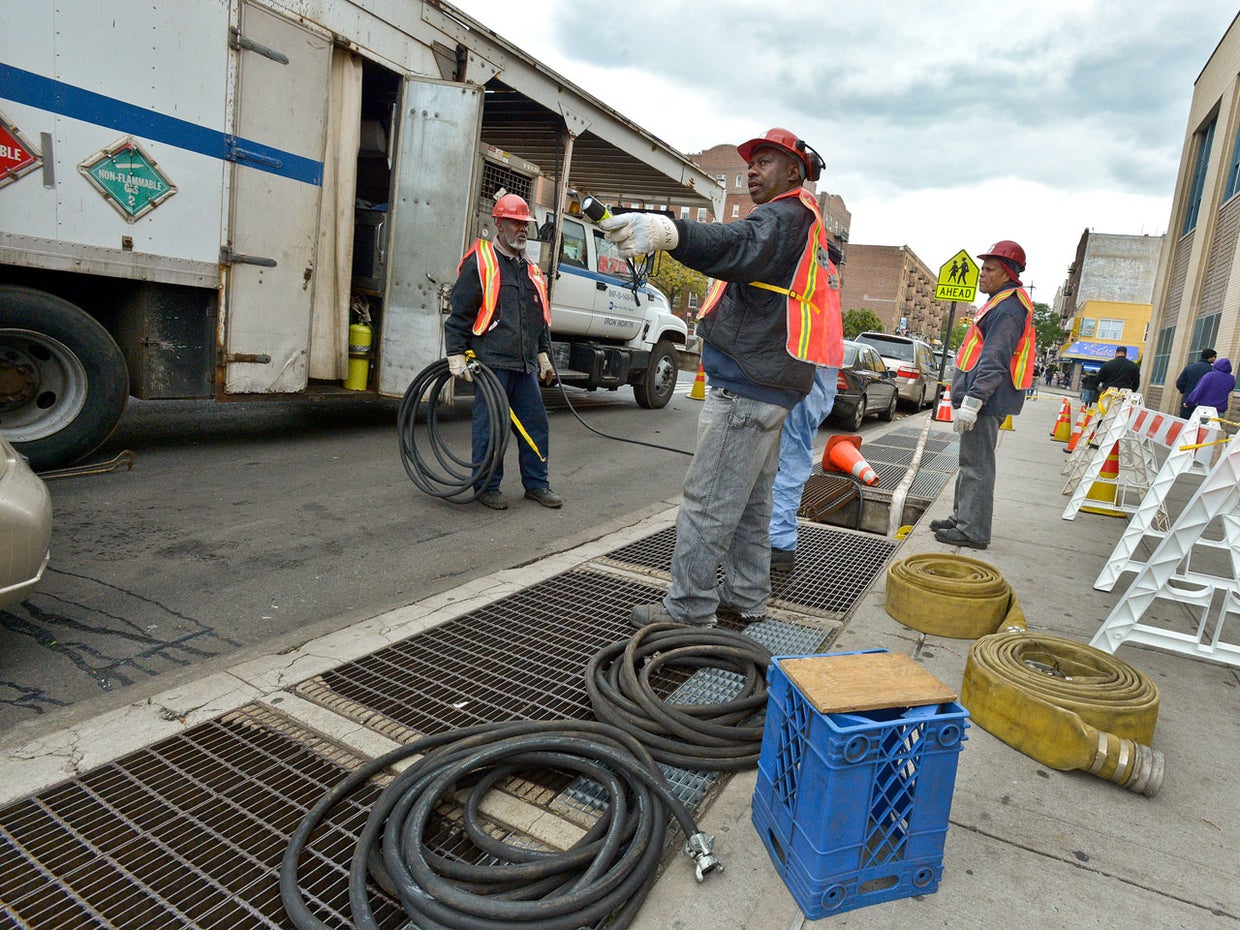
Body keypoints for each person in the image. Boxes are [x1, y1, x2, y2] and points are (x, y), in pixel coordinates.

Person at [600, 127, 843, 627]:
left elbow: (735, 242)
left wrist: (673, 232)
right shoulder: (804, 223)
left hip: (748, 382)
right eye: (751, 162)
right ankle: (746, 595)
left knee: (707, 502)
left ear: (794, 172)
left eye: (765, 161)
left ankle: (688, 609)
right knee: (755, 503)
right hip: (773, 383)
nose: (753, 170)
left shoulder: (783, 215)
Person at [444, 193, 561, 511]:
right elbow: (460, 314)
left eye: (525, 223)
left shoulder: (530, 269)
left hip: (523, 365)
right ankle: (487, 486)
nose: (521, 229)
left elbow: (538, 318)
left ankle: (537, 485)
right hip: (492, 362)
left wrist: (542, 354)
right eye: (515, 222)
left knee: (535, 426)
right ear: (498, 222)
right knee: (492, 427)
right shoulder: (480, 262)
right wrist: (456, 353)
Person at [931, 240, 1036, 551]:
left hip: (987, 401)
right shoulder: (1001, 302)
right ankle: (962, 517)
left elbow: (995, 358)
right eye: (982, 268)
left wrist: (974, 401)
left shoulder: (1008, 308)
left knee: (977, 464)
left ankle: (973, 531)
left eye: (989, 269)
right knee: (970, 461)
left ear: (1006, 273)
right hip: (985, 399)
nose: (982, 274)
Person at [769, 366, 838, 574]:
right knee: (791, 461)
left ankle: (776, 543)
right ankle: (779, 542)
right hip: (809, 387)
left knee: (785, 462)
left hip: (795, 382)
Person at [1175, 347, 1217, 418]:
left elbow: (1179, 383)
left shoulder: (1189, 367)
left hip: (1187, 400)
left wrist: (1185, 392)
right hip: (1203, 404)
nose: (1215, 359)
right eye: (1215, 357)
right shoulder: (1212, 370)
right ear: (1210, 358)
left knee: (1185, 423)